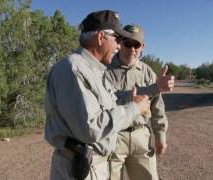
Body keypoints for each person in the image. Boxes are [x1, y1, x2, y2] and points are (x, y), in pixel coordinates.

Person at [44, 10, 151, 180]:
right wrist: (134, 109)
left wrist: (145, 94)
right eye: (117, 39)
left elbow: (109, 106)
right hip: (79, 168)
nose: (118, 46)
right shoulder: (73, 69)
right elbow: (91, 129)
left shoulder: (94, 70)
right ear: (101, 37)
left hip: (91, 166)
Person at [105, 24, 174, 180]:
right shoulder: (105, 69)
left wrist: (160, 136)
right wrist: (152, 88)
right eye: (127, 43)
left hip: (140, 136)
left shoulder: (147, 71)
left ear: (143, 46)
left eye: (136, 44)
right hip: (114, 137)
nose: (132, 48)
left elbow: (157, 107)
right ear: (119, 43)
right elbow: (109, 102)